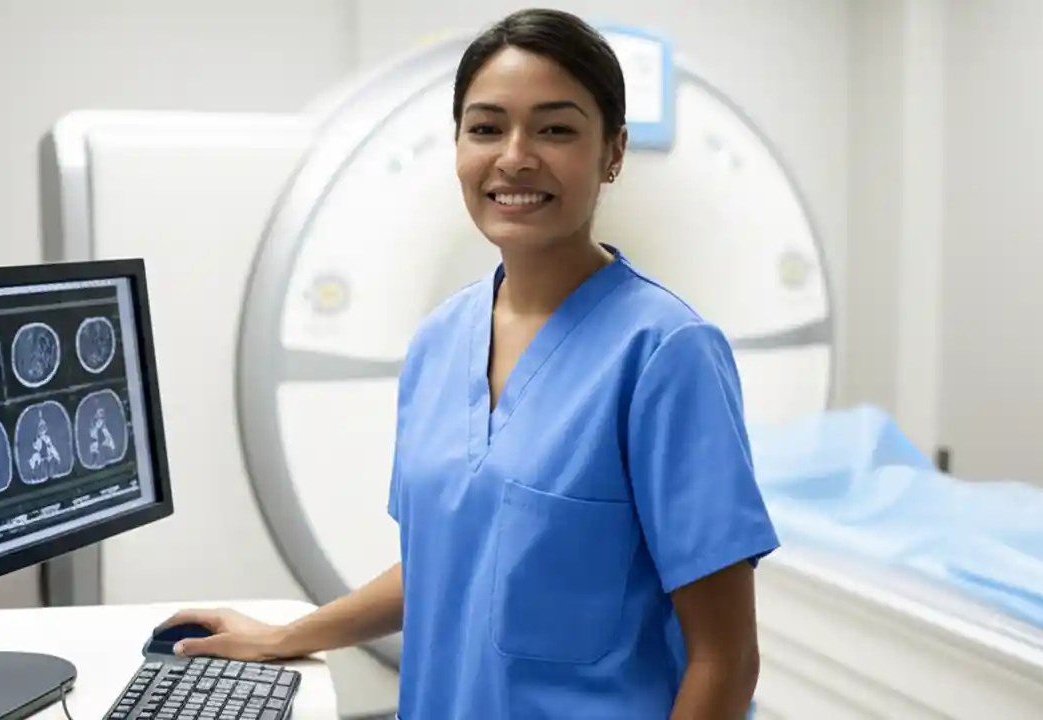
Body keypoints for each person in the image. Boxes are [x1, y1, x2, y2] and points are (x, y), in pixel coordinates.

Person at [162, 8, 779, 718]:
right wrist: (284, 637)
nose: (515, 157)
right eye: (486, 128)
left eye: (555, 130)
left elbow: (725, 658)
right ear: (457, 143)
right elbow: (448, 565)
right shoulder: (438, 341)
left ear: (613, 152)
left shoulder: (667, 354)